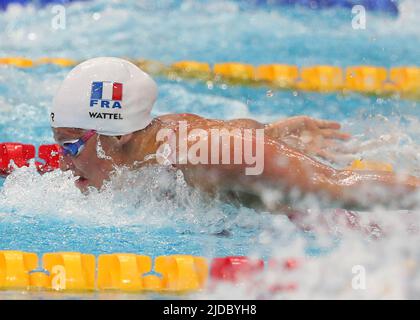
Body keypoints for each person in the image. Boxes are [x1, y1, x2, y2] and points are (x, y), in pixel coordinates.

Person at [50, 57, 420, 214]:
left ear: (118, 137)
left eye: (70, 144)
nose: (63, 161)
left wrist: (264, 146)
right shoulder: (154, 144)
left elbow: (338, 184)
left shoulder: (200, 151)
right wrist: (269, 135)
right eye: (58, 143)